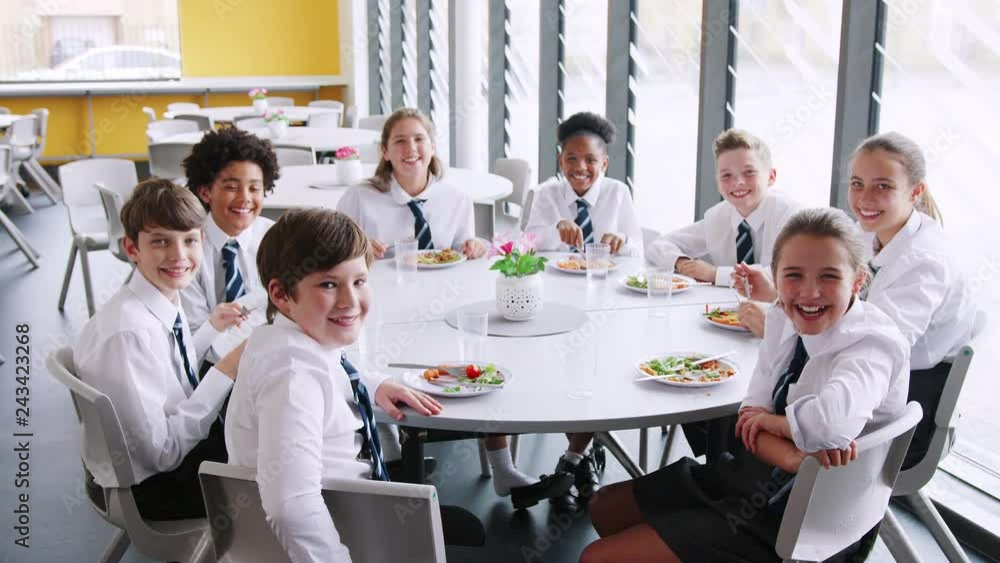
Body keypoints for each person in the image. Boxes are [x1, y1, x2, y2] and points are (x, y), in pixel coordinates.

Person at [580, 207, 911, 563]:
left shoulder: (872, 345)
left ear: (858, 281)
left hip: (808, 519)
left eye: (829, 276)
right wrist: (796, 455)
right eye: (793, 275)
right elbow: (749, 420)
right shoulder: (784, 315)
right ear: (777, 276)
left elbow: (827, 427)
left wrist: (777, 425)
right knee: (603, 507)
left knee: (596, 558)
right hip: (756, 478)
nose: (809, 292)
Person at [734, 131, 977, 468]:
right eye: (857, 184)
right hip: (849, 389)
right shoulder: (870, 230)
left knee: (744, 418)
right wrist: (780, 293)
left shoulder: (925, 263)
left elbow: (867, 338)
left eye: (883, 186)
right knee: (750, 411)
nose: (864, 198)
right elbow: (831, 285)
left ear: (916, 191)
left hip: (897, 409)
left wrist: (784, 320)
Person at [226, 208, 447, 562]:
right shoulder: (294, 375)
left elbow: (326, 369)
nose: (350, 301)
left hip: (338, 516)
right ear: (281, 294)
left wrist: (371, 384)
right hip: (349, 535)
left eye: (358, 281)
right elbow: (290, 505)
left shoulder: (280, 340)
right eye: (329, 284)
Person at [74, 179, 245, 520]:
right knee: (279, 468)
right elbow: (163, 454)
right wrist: (224, 372)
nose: (179, 256)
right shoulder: (129, 334)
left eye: (190, 240)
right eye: (161, 242)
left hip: (158, 461)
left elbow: (167, 368)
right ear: (132, 248)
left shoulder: (158, 294)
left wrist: (210, 327)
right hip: (150, 489)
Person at [180, 127, 279, 371]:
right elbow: (196, 341)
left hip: (272, 358)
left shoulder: (276, 238)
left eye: (255, 188)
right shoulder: (185, 251)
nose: (245, 198)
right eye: (232, 187)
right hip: (207, 368)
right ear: (205, 191)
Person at [338, 107, 487, 259]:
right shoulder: (358, 197)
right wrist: (356, 250)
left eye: (419, 139)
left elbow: (462, 255)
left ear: (433, 147)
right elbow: (334, 250)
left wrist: (474, 249)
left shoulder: (458, 201)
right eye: (400, 141)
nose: (411, 148)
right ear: (385, 151)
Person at [524, 111, 642, 257]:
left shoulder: (618, 192)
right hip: (557, 277)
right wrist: (556, 229)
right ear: (560, 161)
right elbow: (526, 244)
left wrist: (623, 241)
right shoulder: (546, 194)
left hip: (603, 276)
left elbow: (638, 251)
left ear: (604, 164)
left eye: (590, 160)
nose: (580, 167)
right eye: (571, 159)